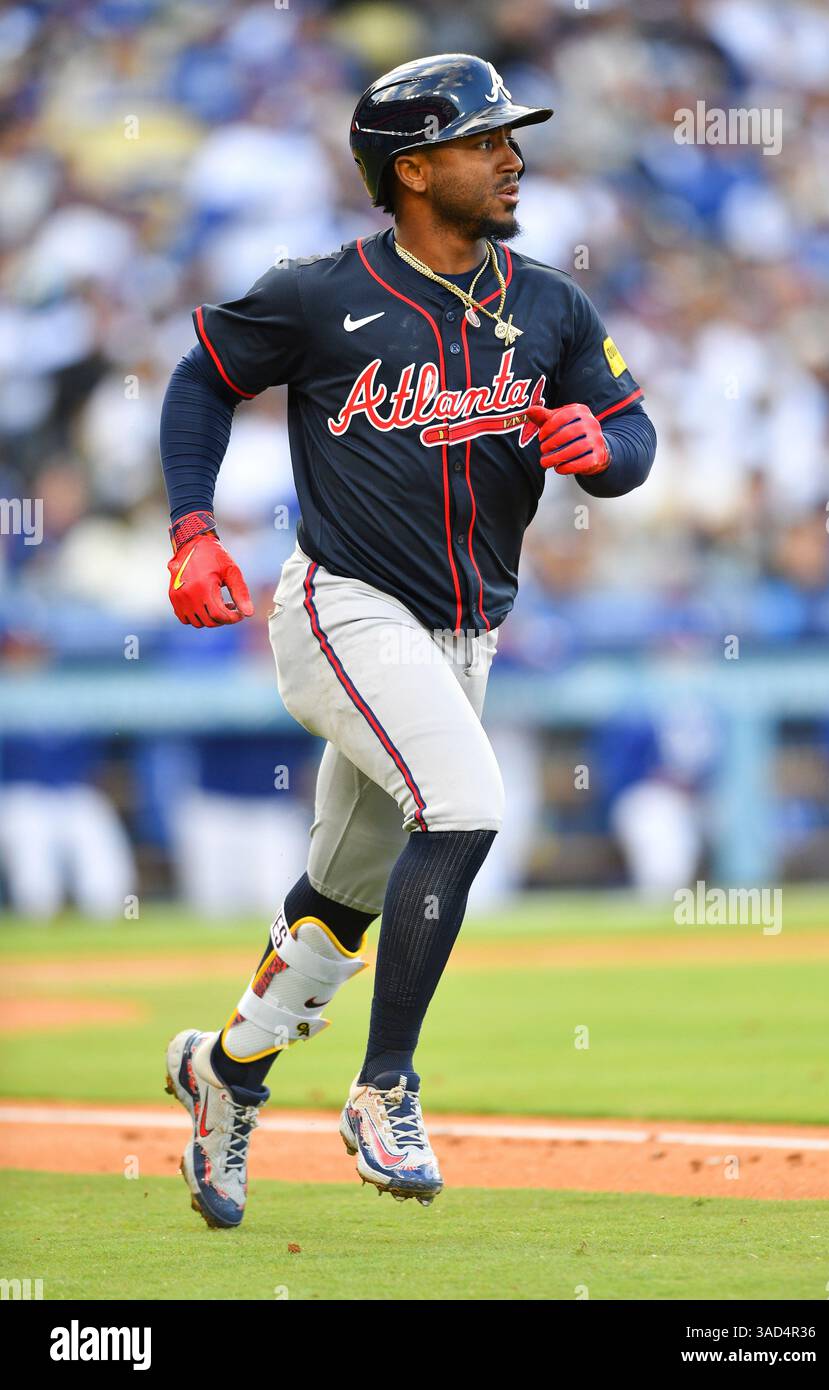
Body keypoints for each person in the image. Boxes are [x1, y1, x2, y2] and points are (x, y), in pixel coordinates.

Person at [158, 53, 656, 1228]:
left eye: (509, 138)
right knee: (467, 808)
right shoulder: (316, 291)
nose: (512, 157)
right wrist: (191, 528)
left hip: (466, 629)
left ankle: (225, 1071)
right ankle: (384, 1087)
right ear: (414, 166)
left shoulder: (548, 302)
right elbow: (198, 381)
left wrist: (604, 449)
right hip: (342, 608)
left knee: (343, 890)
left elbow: (630, 434)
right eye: (486, 140)